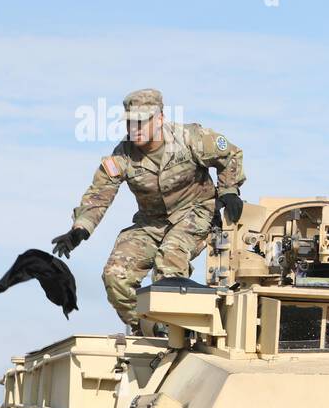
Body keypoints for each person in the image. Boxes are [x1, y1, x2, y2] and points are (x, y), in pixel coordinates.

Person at [51, 88, 246, 329]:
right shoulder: (123, 156)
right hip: (151, 222)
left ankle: (176, 329)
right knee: (115, 275)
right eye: (131, 123)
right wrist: (80, 229)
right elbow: (100, 193)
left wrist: (229, 190)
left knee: (168, 266)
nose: (136, 128)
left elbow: (231, 155)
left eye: (143, 122)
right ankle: (152, 328)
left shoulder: (189, 138)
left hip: (194, 213)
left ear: (160, 119)